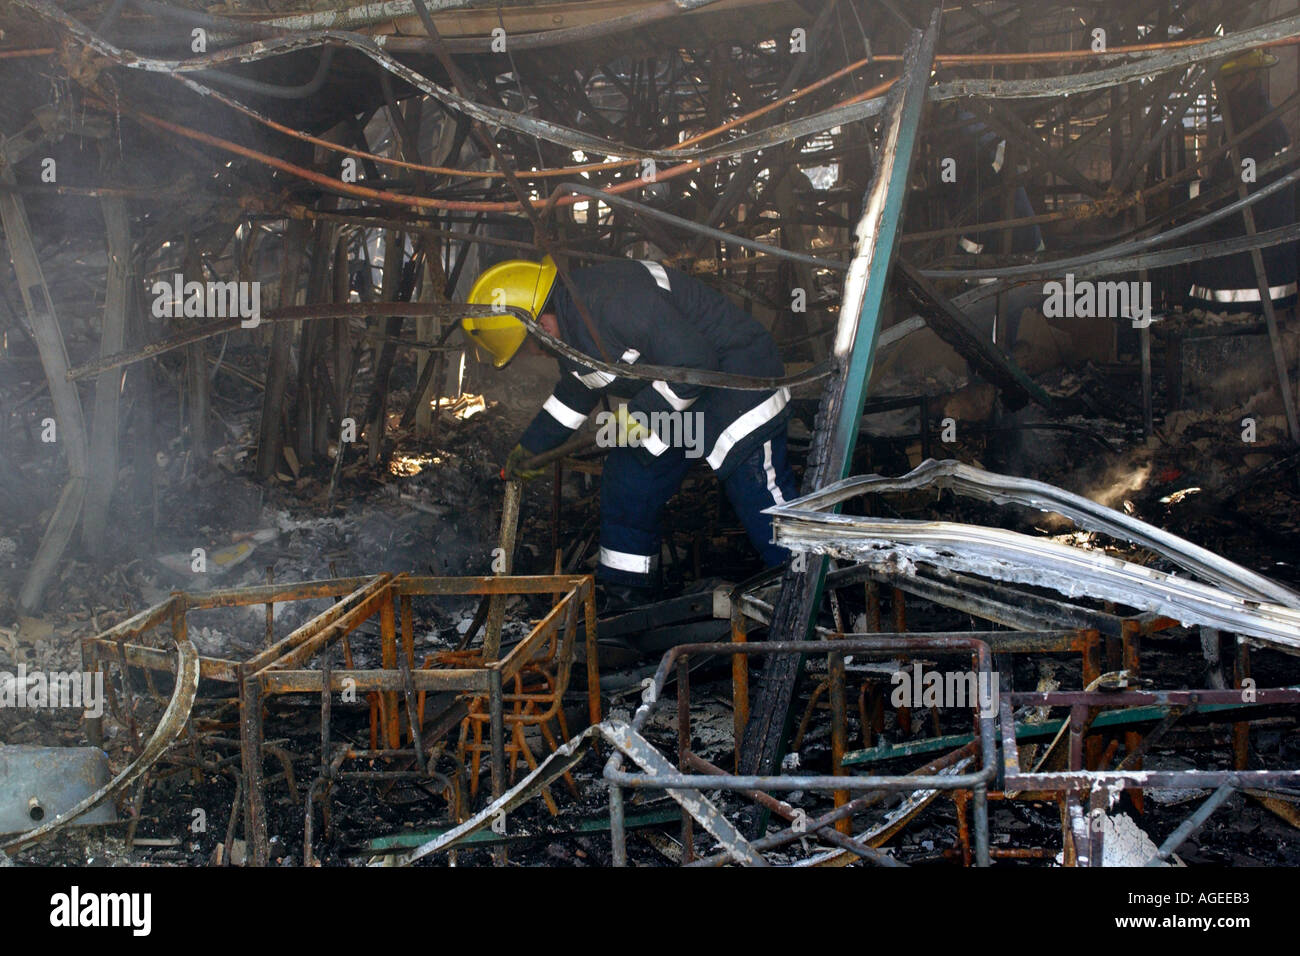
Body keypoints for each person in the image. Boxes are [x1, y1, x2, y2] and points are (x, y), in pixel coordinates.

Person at [460, 256, 797, 610]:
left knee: (755, 486)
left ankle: (808, 594)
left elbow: (695, 362)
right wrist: (531, 448)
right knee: (629, 476)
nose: (537, 355)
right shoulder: (574, 325)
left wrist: (640, 414)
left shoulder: (613, 302)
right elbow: (578, 390)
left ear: (541, 325)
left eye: (529, 347)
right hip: (688, 400)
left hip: (739, 382)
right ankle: (627, 600)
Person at [1187, 48, 1297, 311]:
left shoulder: (1258, 127)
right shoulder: (1247, 120)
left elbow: (1239, 187)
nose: (1217, 87)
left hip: (1250, 285)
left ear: (1245, 77)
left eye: (1222, 79)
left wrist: (1184, 195)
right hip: (1255, 274)